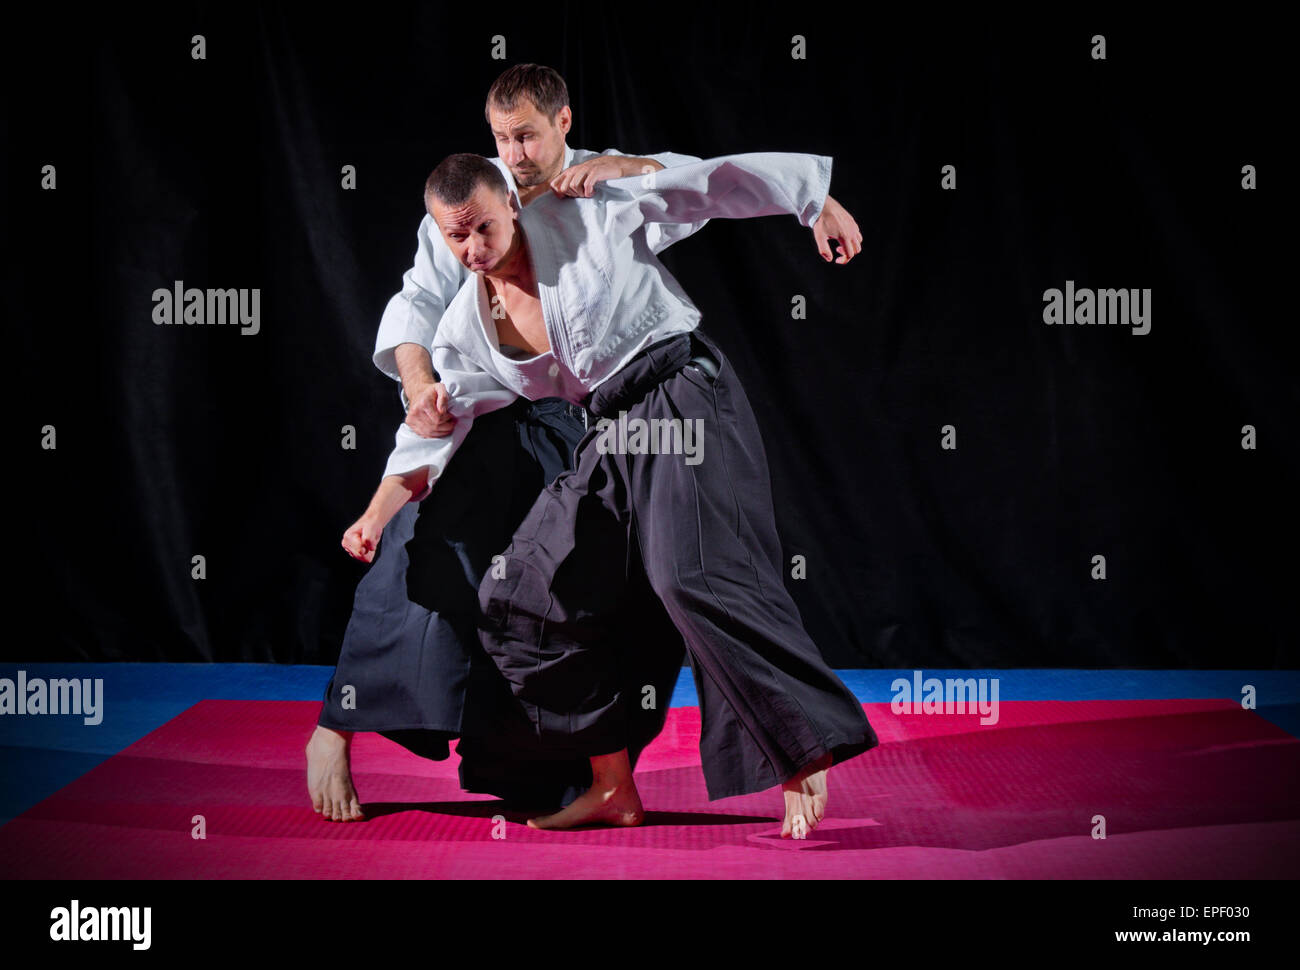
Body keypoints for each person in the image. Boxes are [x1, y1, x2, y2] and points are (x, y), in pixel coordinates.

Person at [358, 150, 877, 838]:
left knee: (691, 577)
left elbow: (703, 185)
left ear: (511, 205)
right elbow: (435, 431)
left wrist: (814, 201)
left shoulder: (582, 214)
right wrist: (374, 514)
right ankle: (612, 784)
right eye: (457, 237)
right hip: (608, 428)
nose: (475, 248)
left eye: (484, 227)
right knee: (523, 598)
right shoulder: (464, 331)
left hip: (678, 392)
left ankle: (799, 749)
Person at [309, 63, 706, 822]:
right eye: (501, 138)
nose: (515, 155)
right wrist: (420, 384)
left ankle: (548, 771)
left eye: (526, 135)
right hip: (476, 409)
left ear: (561, 124)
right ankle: (338, 723)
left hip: (581, 423)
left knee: (576, 589)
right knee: (424, 554)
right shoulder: (468, 199)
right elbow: (416, 303)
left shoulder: (599, 185)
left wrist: (631, 167)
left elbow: (700, 188)